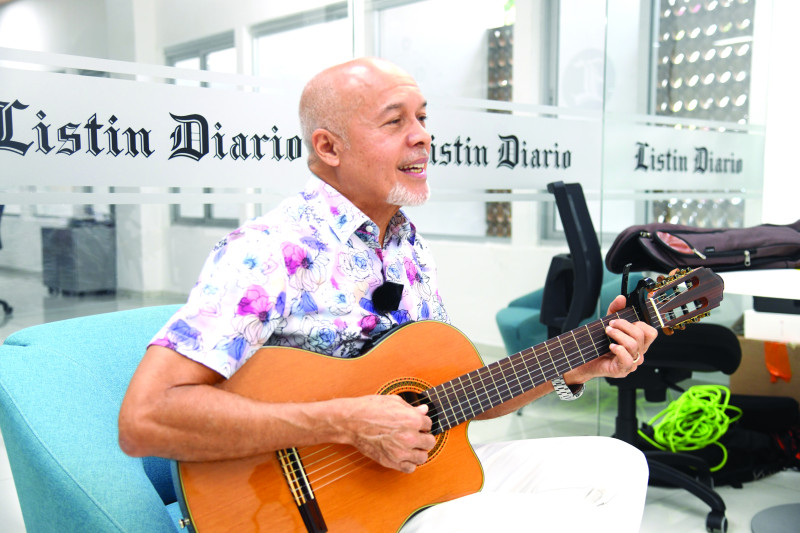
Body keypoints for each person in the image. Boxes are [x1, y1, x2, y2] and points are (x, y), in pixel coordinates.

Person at [119, 57, 658, 531]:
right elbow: (146, 418)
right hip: (314, 511)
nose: (421, 136)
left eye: (422, 117)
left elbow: (451, 399)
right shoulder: (269, 250)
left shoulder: (406, 245)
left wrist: (573, 367)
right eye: (394, 121)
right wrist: (348, 421)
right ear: (329, 147)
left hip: (410, 483)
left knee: (618, 466)